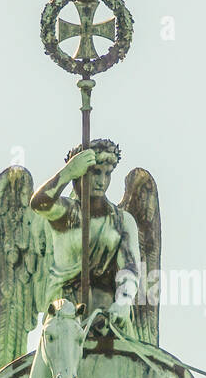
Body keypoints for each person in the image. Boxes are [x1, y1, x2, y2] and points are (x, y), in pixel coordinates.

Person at [30, 139, 142, 333]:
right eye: (95, 172)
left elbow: (130, 268)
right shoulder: (65, 213)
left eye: (108, 174)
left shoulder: (122, 221)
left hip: (107, 318)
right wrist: (68, 172)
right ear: (80, 174)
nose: (102, 180)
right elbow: (40, 203)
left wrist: (124, 301)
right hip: (64, 317)